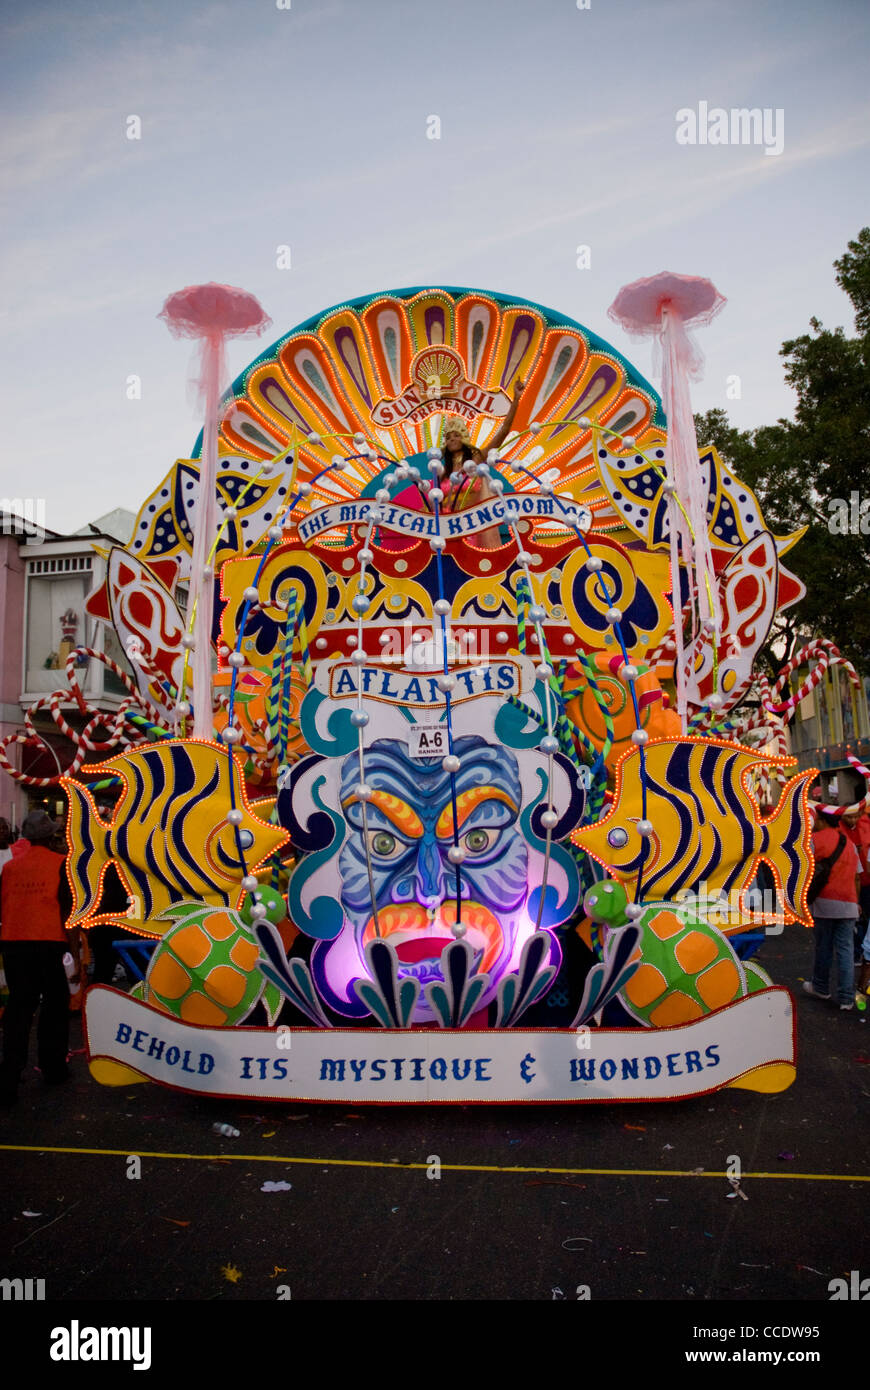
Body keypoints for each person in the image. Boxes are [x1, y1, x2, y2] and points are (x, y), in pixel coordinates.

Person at [0, 809, 74, 1105]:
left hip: (14, 943)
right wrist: (75, 950)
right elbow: (68, 911)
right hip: (49, 942)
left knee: (19, 1009)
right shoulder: (61, 864)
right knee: (54, 1007)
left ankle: (9, 1076)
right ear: (49, 835)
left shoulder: (11, 868)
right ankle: (53, 1067)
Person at [423, 381, 526, 549]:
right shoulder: (443, 472)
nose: (452, 439)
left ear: (463, 437)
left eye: (456, 435)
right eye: (448, 437)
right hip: (446, 532)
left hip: (473, 529)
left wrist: (516, 399)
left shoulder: (476, 459)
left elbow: (504, 431)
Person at [803, 808, 859, 1011]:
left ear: (823, 821)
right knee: (846, 951)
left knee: (824, 946)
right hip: (850, 903)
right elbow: (858, 875)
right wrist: (857, 901)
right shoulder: (850, 845)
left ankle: (821, 986)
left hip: (825, 902)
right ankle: (846, 998)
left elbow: (804, 868)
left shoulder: (815, 840)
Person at [840, 804, 870, 962]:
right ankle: (856, 953)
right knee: (853, 921)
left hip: (866, 881)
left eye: (856, 816)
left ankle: (863, 952)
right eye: (850, 816)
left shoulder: (865, 826)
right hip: (848, 883)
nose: (853, 819)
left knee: (865, 919)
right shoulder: (837, 831)